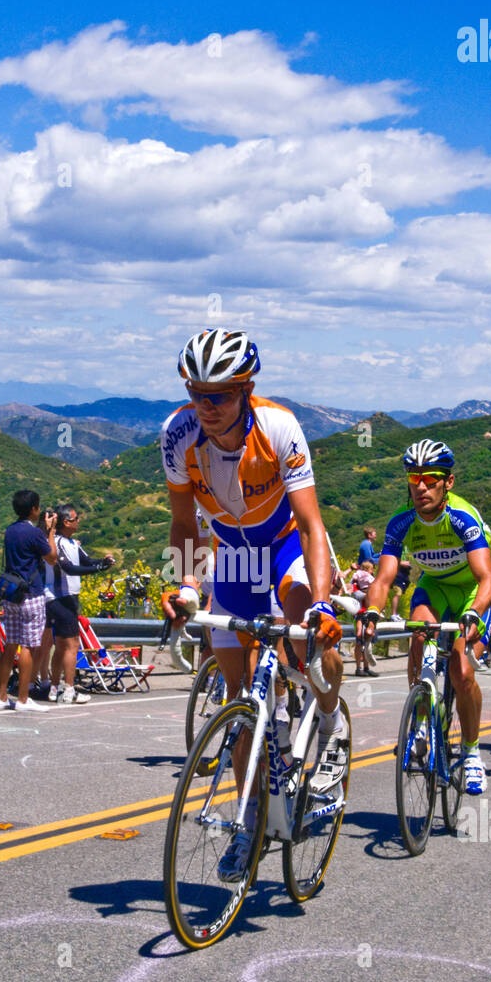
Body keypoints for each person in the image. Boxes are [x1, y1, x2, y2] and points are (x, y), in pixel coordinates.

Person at [161, 327, 346, 882]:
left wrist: (322, 606)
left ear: (246, 388)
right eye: (196, 392)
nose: (206, 406)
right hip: (233, 554)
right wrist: (188, 588)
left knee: (306, 629)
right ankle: (250, 823)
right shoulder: (177, 434)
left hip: (287, 543)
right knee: (240, 705)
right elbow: (183, 522)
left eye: (218, 394)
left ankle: (330, 718)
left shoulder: (279, 426)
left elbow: (312, 524)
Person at [359, 439, 491, 795]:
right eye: (413, 477)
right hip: (434, 586)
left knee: (461, 671)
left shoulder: (462, 518)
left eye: (431, 478)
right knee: (419, 635)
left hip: (469, 592)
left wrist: (473, 612)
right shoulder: (402, 522)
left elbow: (488, 579)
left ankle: (471, 754)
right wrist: (370, 610)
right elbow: (384, 578)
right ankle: (420, 721)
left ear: (447, 482)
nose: (421, 486)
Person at [0, 490, 57, 713]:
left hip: (12, 594)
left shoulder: (10, 531)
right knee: (29, 647)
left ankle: (1, 697)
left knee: (10, 645)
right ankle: (22, 698)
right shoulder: (35, 534)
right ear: (34, 509)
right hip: (31, 593)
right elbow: (51, 557)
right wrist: (50, 531)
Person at [45, 504, 114, 703]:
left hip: (68, 596)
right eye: (76, 519)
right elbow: (69, 568)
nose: (79, 522)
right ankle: (68, 689)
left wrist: (104, 562)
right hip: (60, 596)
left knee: (61, 646)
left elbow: (86, 561)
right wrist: (99, 569)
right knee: (72, 645)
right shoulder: (56, 542)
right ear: (66, 522)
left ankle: (54, 687)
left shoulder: (72, 543)